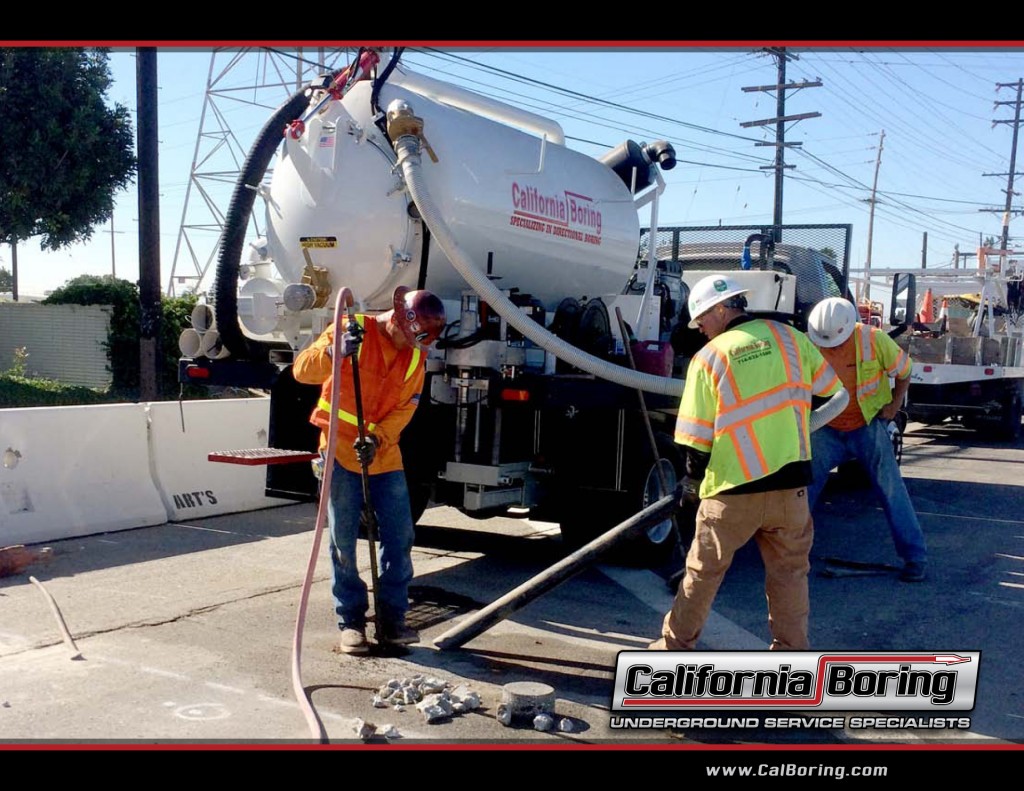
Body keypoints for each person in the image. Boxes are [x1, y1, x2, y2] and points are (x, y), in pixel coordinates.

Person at [650, 275, 848, 652]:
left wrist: (691, 485)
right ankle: (791, 657)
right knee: (790, 575)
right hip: (791, 490)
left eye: (701, 319)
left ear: (721, 309)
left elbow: (696, 442)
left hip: (732, 491)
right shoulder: (791, 339)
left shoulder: (709, 358)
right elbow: (830, 395)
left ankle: (673, 650)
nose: (701, 329)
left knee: (702, 574)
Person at [293, 285, 446, 654]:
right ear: (396, 317)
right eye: (408, 336)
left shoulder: (414, 358)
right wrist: (334, 351)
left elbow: (404, 409)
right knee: (343, 542)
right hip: (339, 450)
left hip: (383, 454)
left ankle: (393, 621)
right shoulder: (352, 331)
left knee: (399, 537)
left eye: (418, 341)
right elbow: (301, 371)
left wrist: (377, 438)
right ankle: (352, 623)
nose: (411, 344)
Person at [805, 296, 927, 583]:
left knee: (892, 490)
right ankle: (789, 555)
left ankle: (915, 558)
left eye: (834, 342)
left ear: (849, 329)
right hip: (825, 428)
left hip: (866, 426)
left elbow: (905, 371)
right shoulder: (808, 343)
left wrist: (895, 405)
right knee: (803, 491)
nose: (830, 347)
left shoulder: (874, 340)